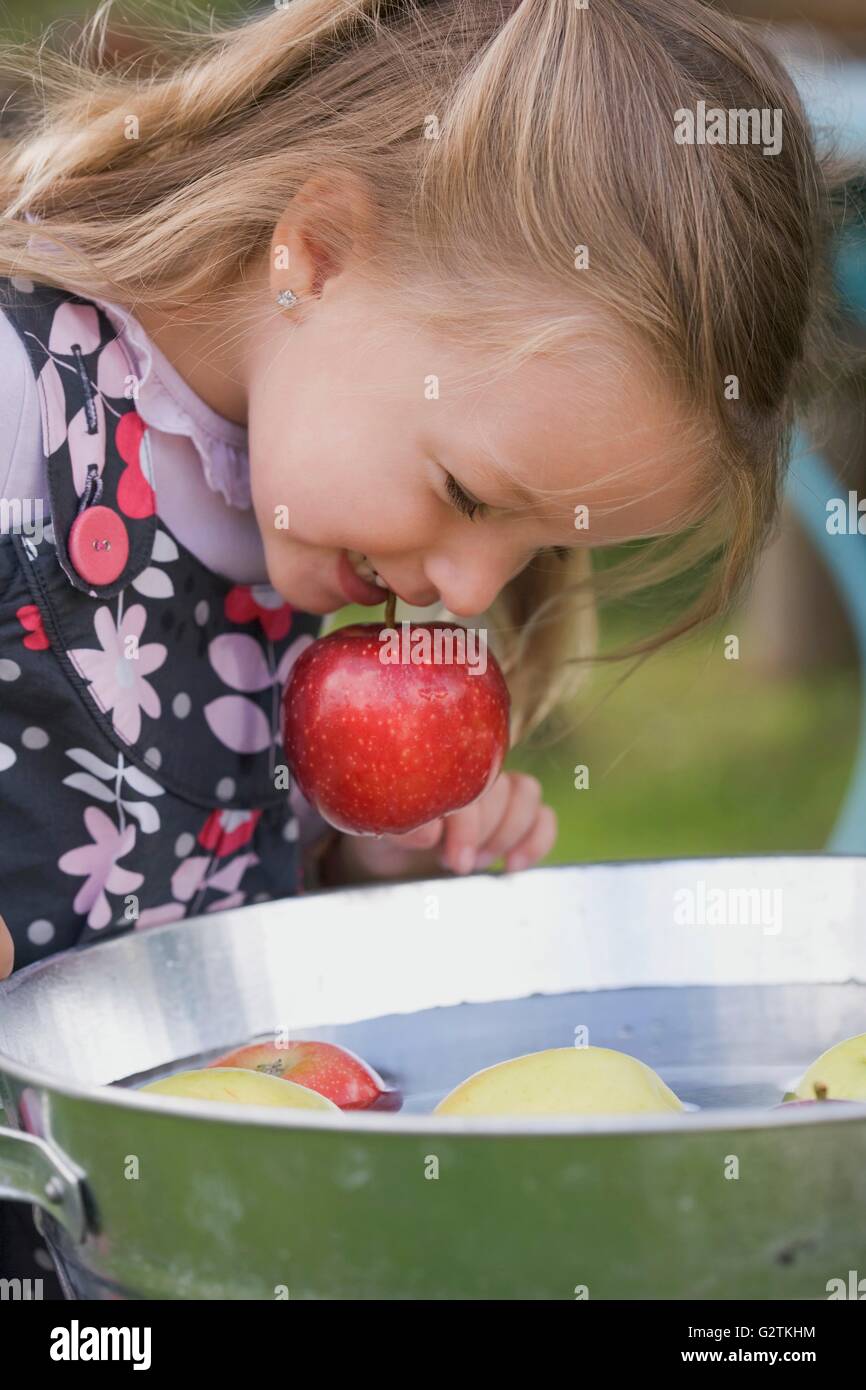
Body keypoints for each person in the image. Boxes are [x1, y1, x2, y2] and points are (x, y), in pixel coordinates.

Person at [0, 0, 850, 1298]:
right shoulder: (22, 411)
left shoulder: (303, 512)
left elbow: (193, 902)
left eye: (532, 551)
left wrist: (353, 850)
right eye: (465, 492)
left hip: (170, 1240)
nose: (465, 588)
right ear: (318, 255)